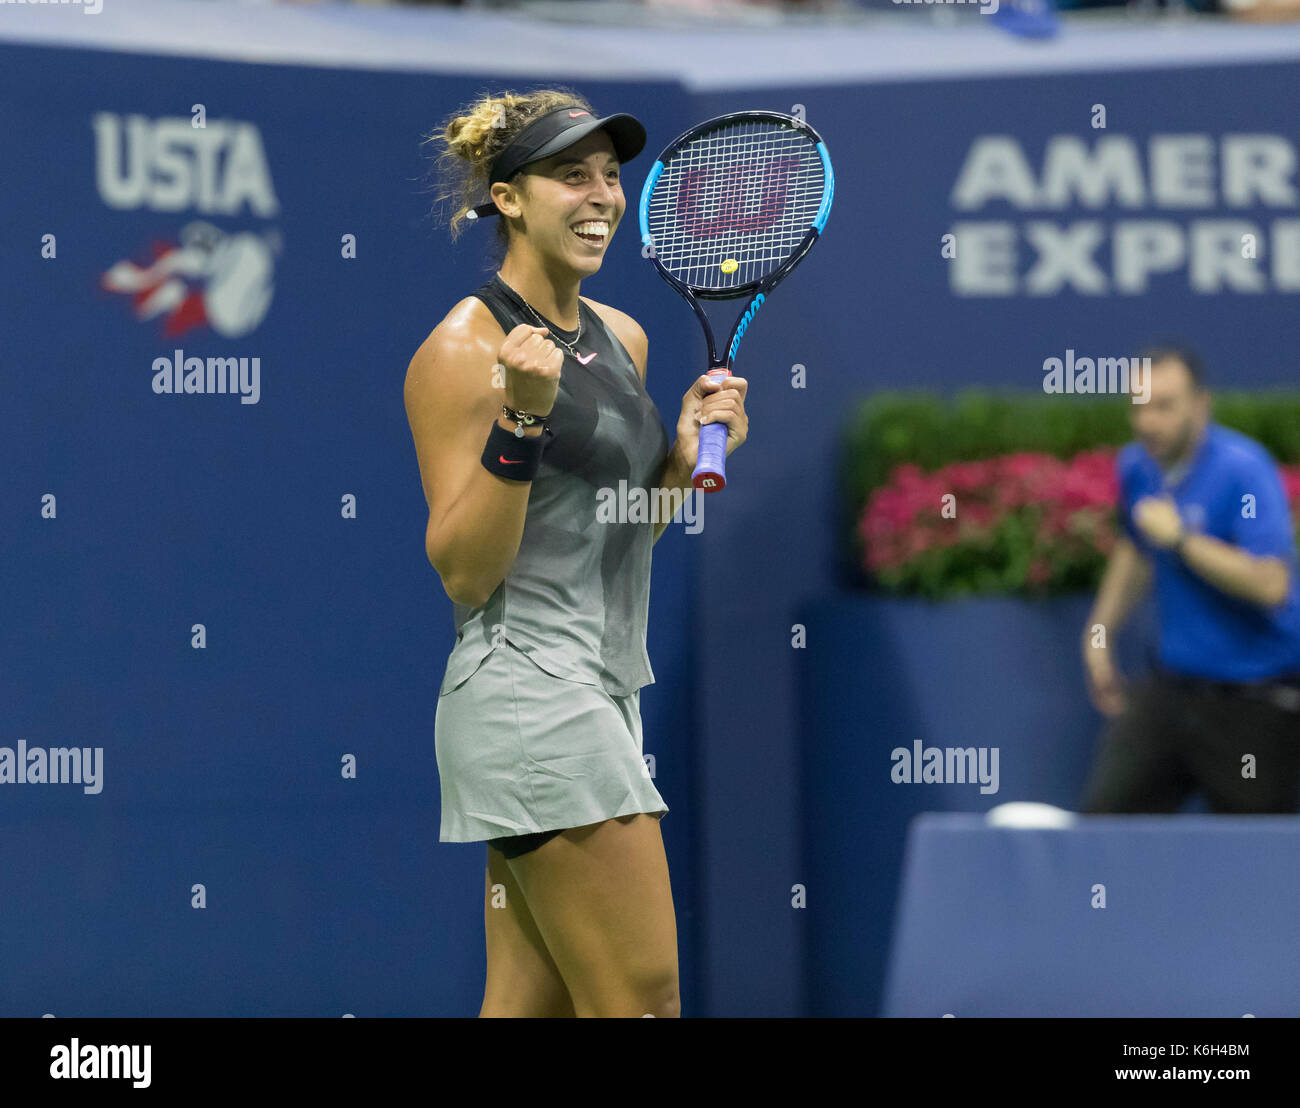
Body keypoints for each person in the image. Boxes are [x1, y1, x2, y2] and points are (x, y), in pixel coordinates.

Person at [404, 87, 749, 1016]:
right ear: (507, 198)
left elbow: (625, 526)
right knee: (642, 1002)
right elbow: (465, 572)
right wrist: (520, 415)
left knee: (531, 1007)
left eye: (610, 175)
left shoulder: (620, 336)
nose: (601, 195)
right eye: (571, 175)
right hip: (528, 691)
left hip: (597, 685)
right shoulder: (462, 349)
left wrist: (679, 459)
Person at [1080, 343, 1300, 814]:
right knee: (1103, 829)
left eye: (1164, 407)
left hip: (1254, 700)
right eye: (1138, 407)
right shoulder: (1137, 466)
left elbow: (1271, 584)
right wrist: (1099, 633)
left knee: (1257, 856)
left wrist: (1182, 540)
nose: (1148, 423)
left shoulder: (1245, 470)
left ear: (1201, 406)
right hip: (1171, 691)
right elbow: (1137, 548)